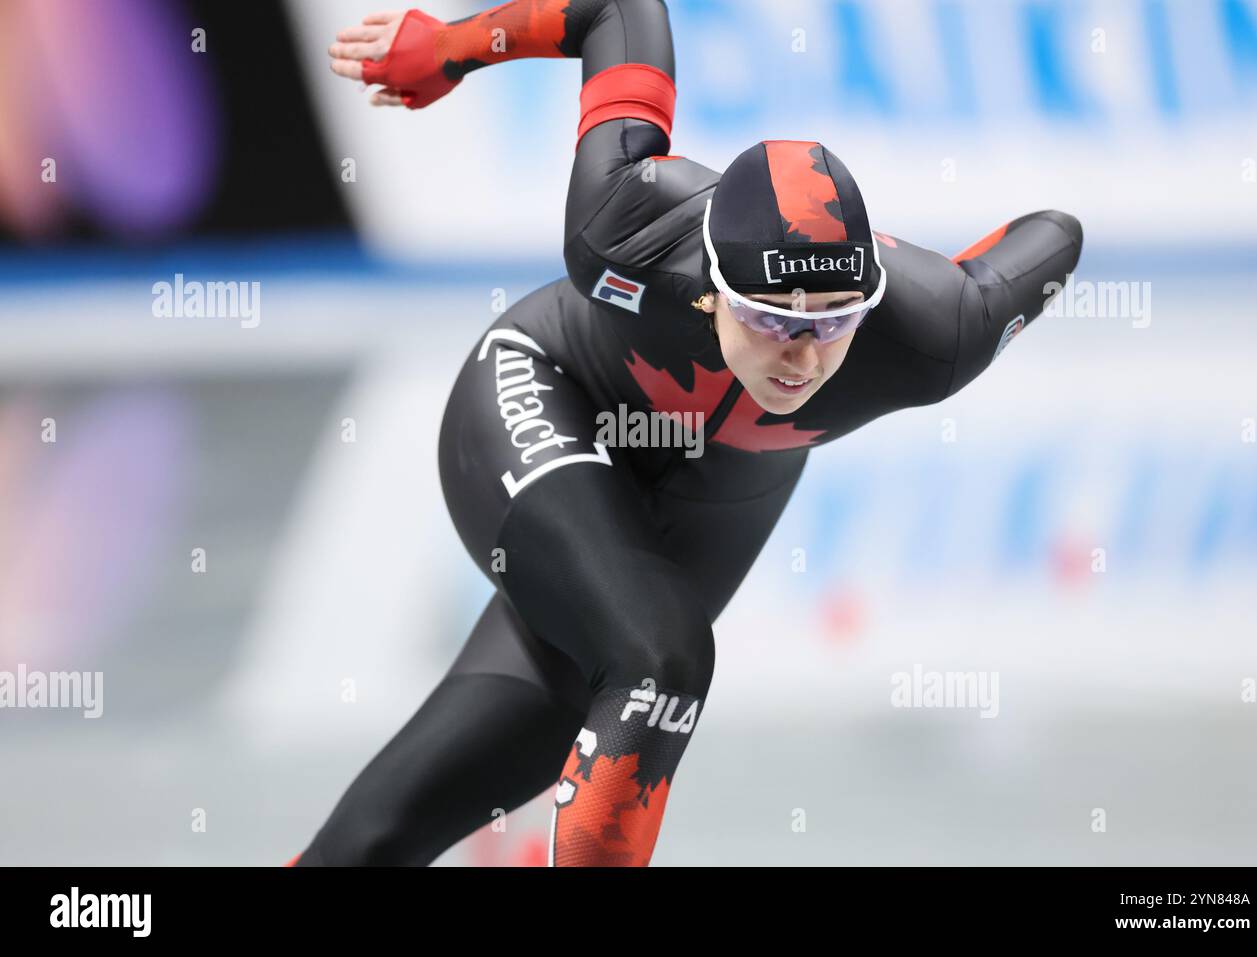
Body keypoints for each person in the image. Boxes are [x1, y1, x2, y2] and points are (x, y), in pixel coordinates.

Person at [287, 0, 1083, 867]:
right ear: (710, 290)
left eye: (835, 320)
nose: (804, 355)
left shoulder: (934, 333)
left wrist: (915, 281)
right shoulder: (623, 224)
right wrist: (450, 48)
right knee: (660, 659)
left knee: (378, 840)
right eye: (771, 317)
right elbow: (616, 9)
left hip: (721, 497)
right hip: (550, 394)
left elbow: (1056, 236)